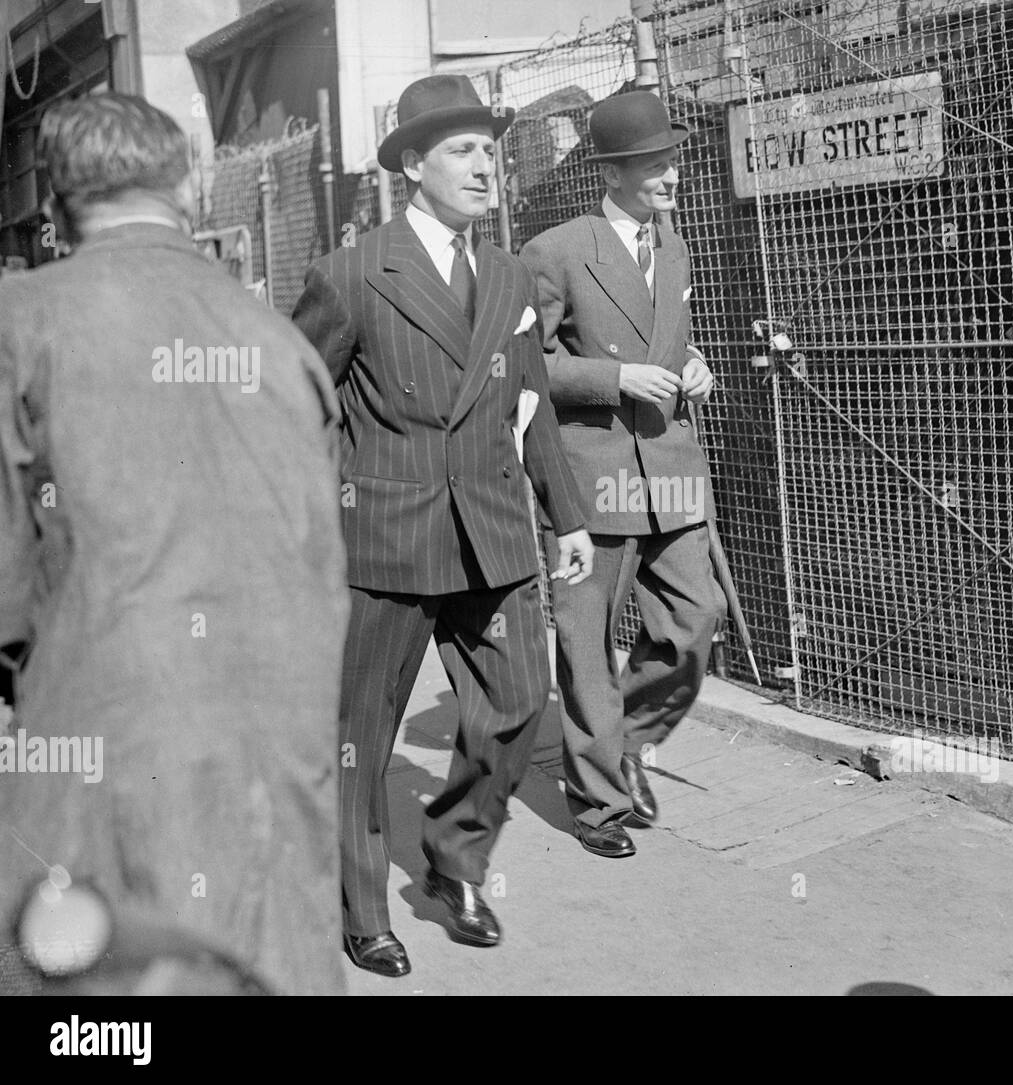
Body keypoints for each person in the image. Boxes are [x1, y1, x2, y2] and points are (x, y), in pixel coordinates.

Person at [0, 92, 351, 994]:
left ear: (52, 206)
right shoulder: (278, 342)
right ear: (191, 186)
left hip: (100, 754)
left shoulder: (21, 320)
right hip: (282, 755)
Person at [293, 75, 594, 977]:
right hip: (384, 539)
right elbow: (298, 406)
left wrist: (567, 516)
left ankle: (456, 859)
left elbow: (531, 403)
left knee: (516, 701)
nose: (484, 167)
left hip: (493, 528)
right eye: (461, 150)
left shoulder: (506, 273)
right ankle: (359, 906)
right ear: (413, 166)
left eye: (490, 151)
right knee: (361, 734)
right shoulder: (352, 273)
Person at [520, 92, 725, 859]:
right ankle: (599, 800)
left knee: (692, 622)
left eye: (672, 158)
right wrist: (614, 380)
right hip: (593, 471)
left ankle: (624, 740)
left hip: (668, 462)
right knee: (586, 641)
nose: (671, 173)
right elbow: (530, 364)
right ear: (613, 169)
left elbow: (670, 339)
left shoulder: (674, 247)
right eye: (654, 162)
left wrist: (692, 366)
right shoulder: (556, 251)